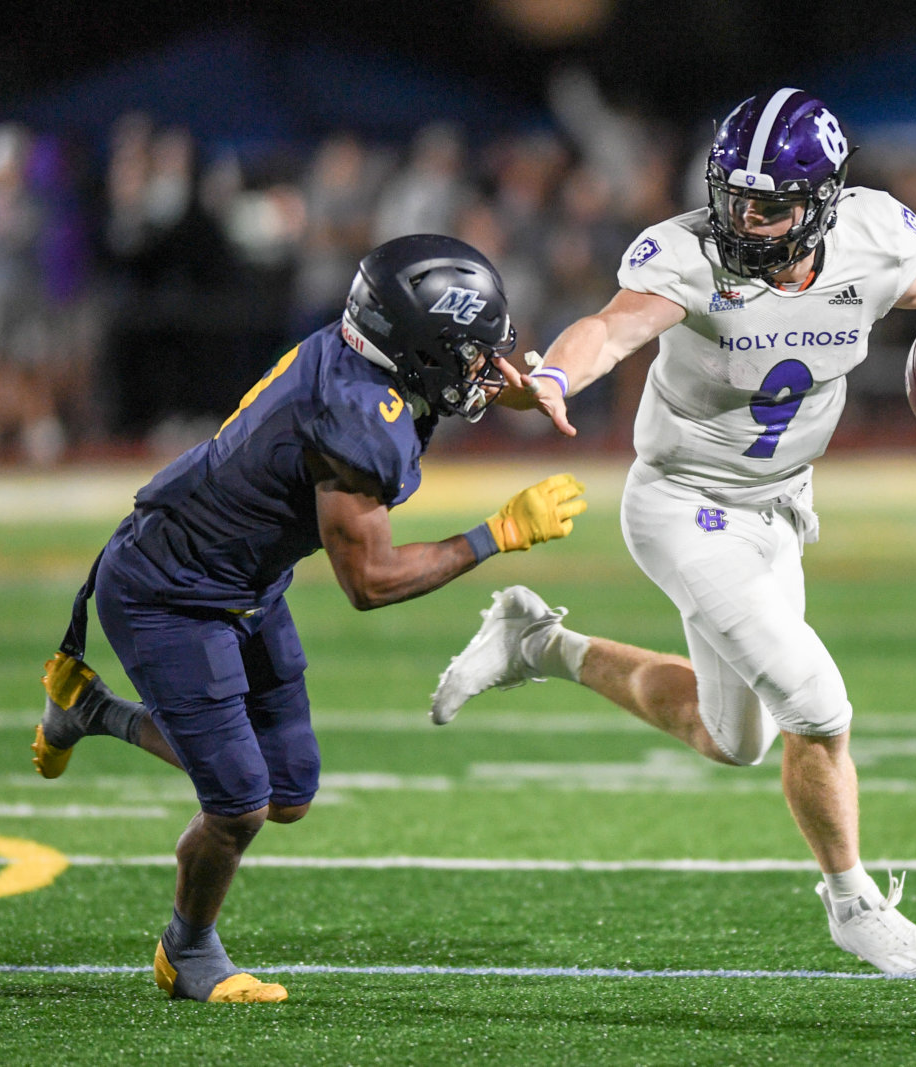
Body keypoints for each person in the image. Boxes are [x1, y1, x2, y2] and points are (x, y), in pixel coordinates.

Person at [432, 89, 916, 975]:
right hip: (681, 503)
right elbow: (612, 327)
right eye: (734, 195)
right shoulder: (691, 257)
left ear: (823, 201)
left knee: (732, 737)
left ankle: (537, 643)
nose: (746, 217)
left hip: (780, 507)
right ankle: (854, 902)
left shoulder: (873, 240)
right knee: (817, 703)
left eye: (771, 202)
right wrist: (555, 374)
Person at [30, 235, 586, 1002]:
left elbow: (429, 380)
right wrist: (498, 534)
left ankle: (87, 708)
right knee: (239, 806)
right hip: (170, 591)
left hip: (244, 581)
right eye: (472, 355)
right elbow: (371, 581)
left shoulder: (368, 356)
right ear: (419, 348)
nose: (487, 369)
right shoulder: (353, 418)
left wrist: (505, 385)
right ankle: (185, 952)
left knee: (288, 790)